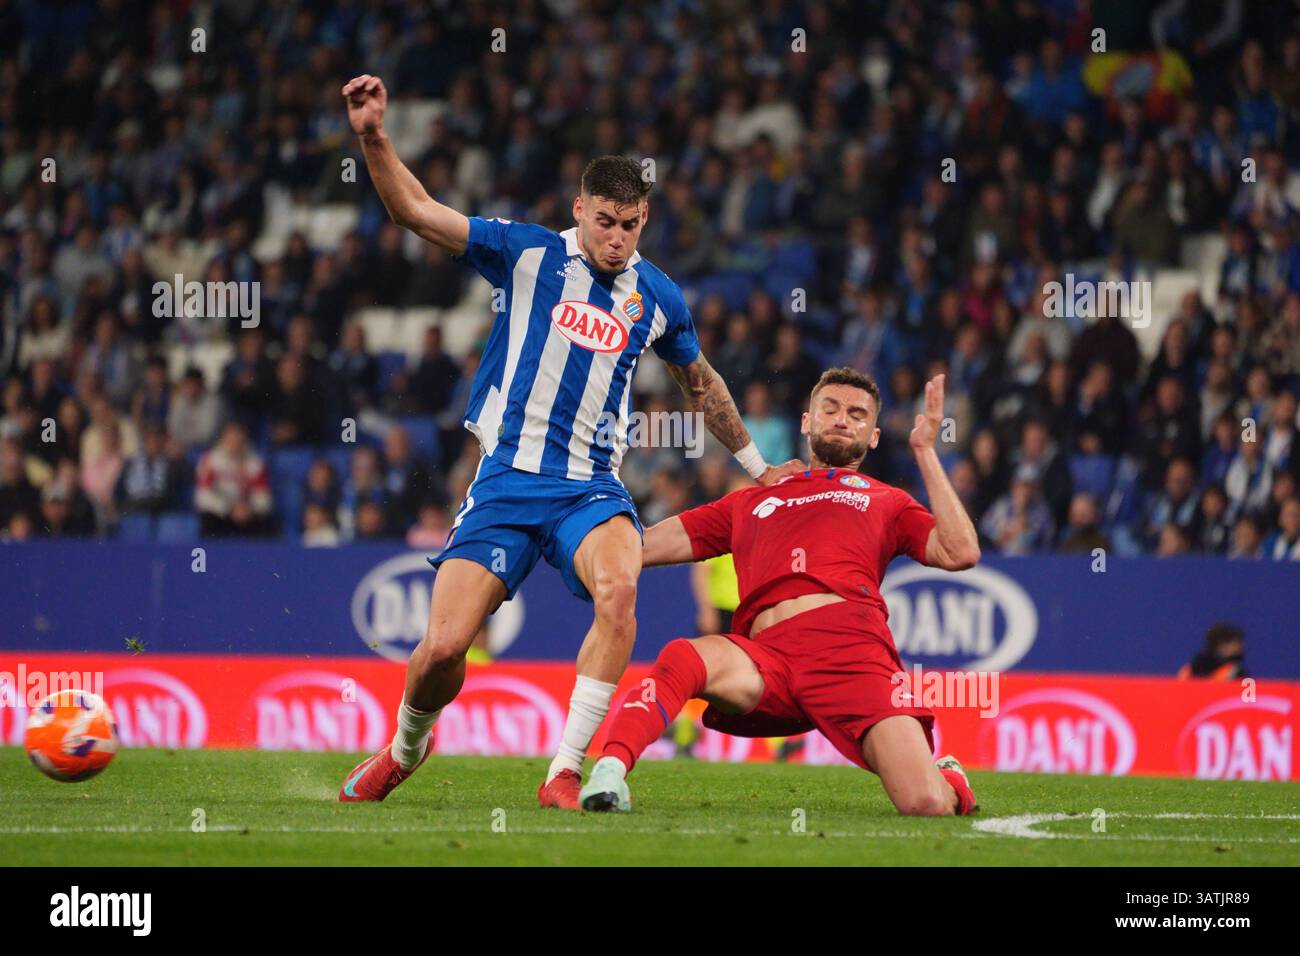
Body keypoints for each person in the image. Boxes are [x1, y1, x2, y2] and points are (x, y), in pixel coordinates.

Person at [336, 75, 801, 807]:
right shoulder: (524, 254)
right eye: (607, 221)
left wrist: (757, 465)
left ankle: (564, 770)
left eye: (633, 224)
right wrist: (373, 137)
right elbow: (416, 212)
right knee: (442, 650)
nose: (618, 238)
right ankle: (405, 747)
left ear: (645, 220)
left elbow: (700, 384)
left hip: (590, 489)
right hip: (505, 482)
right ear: (580, 209)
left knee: (620, 591)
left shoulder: (658, 296)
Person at [580, 368, 980, 817]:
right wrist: (572, 527)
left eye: (856, 414)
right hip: (767, 659)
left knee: (926, 804)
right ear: (807, 422)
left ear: (873, 437)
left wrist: (925, 451)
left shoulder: (886, 500)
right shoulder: (749, 501)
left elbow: (961, 551)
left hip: (852, 659)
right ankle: (610, 771)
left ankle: (948, 776)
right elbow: (641, 546)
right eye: (830, 408)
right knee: (684, 656)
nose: (842, 419)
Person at [1177, 623, 1248, 680]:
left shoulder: (1187, 670)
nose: (1240, 648)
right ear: (1222, 645)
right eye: (1236, 643)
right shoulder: (1189, 670)